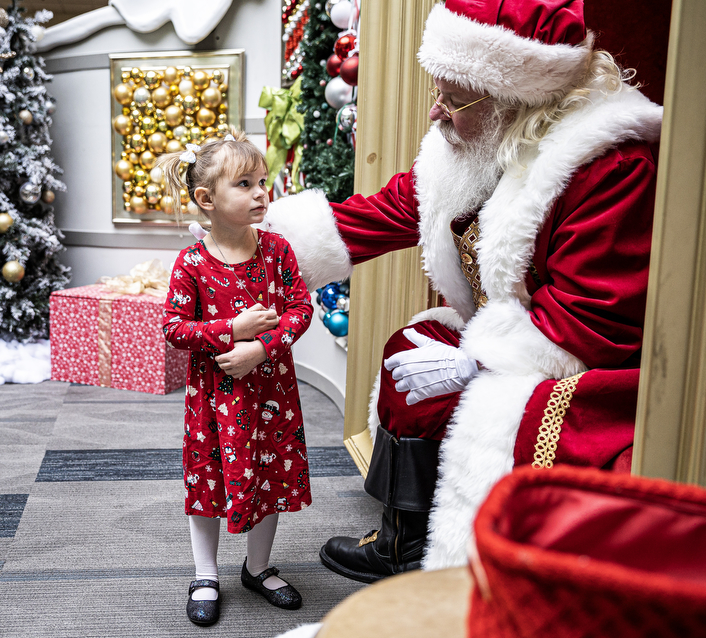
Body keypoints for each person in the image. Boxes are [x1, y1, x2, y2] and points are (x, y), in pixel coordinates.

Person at [265, 0, 663, 582]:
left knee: (496, 409)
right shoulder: (477, 149)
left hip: (585, 367)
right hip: (518, 332)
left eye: (454, 99)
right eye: (438, 91)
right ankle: (405, 537)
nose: (435, 112)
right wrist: (250, 248)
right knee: (409, 348)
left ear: (517, 98)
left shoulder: (610, 166)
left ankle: (475, 562)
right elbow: (380, 214)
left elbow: (595, 322)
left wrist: (476, 363)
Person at [159, 130, 315, 625]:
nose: (261, 193)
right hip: (215, 400)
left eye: (263, 181)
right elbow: (174, 328)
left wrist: (260, 347)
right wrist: (232, 329)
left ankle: (258, 566)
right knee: (207, 479)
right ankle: (204, 572)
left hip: (272, 393)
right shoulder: (192, 263)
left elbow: (299, 310)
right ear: (207, 199)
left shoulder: (278, 251)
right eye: (245, 184)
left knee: (268, 476)